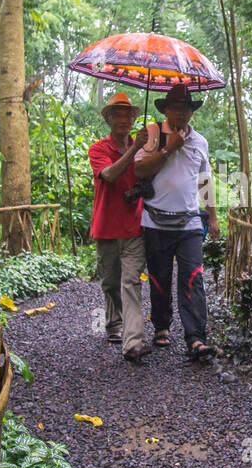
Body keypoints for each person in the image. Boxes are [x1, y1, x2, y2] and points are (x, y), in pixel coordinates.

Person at [134, 83, 222, 360]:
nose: (182, 113)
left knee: (193, 278)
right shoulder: (152, 134)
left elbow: (204, 180)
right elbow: (139, 168)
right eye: (176, 108)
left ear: (191, 111)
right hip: (155, 221)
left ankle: (196, 339)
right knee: (159, 278)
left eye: (186, 108)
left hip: (189, 224)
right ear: (167, 110)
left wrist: (214, 217)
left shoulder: (201, 142)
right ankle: (161, 326)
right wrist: (169, 148)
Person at [88, 91, 150, 363]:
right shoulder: (98, 149)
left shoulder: (144, 146)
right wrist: (134, 150)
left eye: (128, 114)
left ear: (134, 118)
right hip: (106, 227)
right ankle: (113, 324)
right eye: (117, 114)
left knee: (131, 282)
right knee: (111, 282)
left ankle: (133, 342)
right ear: (109, 119)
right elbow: (111, 175)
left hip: (135, 226)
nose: (123, 119)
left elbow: (152, 176)